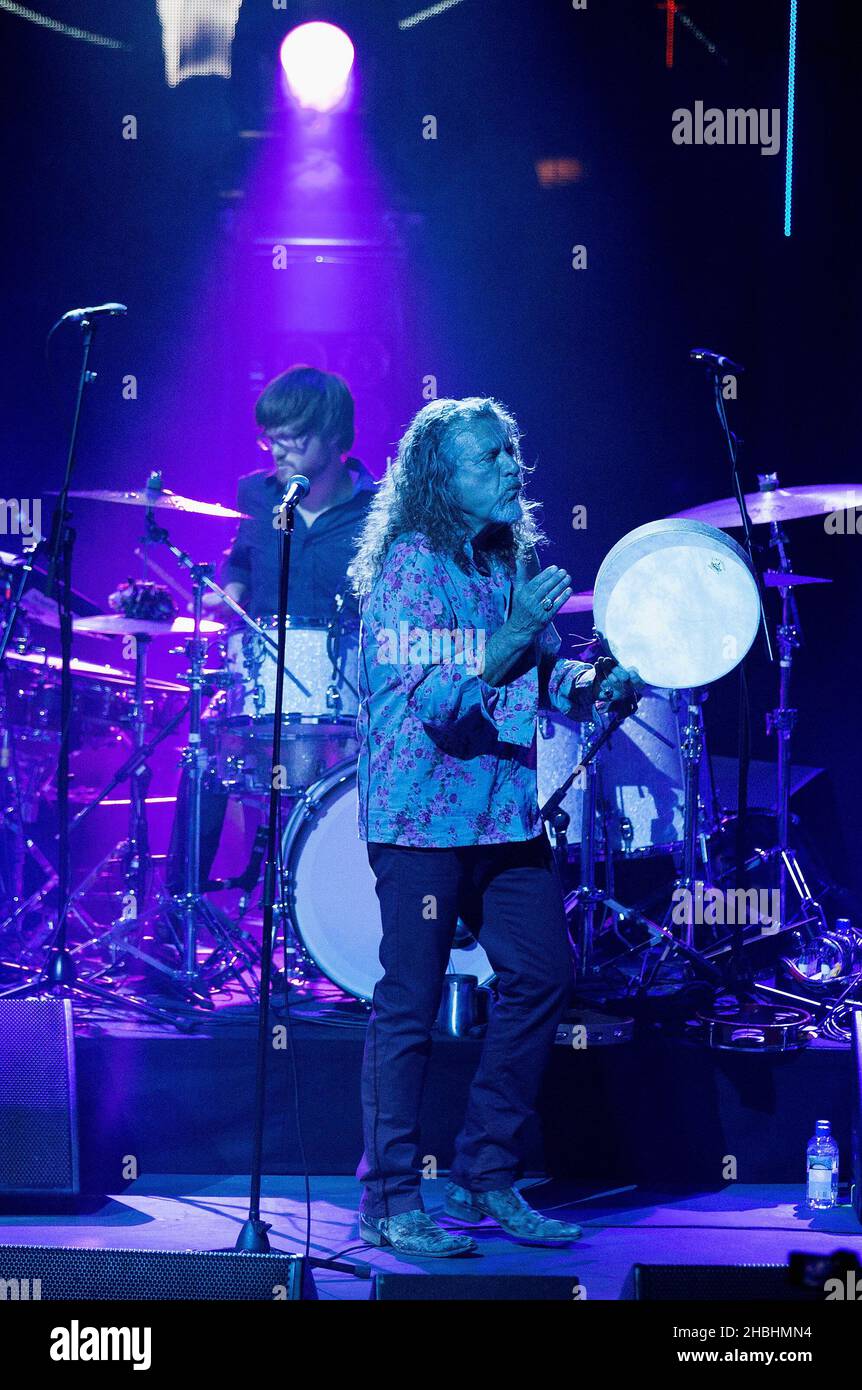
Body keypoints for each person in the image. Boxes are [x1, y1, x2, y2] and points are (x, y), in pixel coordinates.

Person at [351, 396, 640, 1257]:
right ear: (442, 479)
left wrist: (595, 687)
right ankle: (392, 1196)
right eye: (489, 458)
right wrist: (510, 638)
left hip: (504, 812)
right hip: (421, 817)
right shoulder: (411, 566)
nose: (513, 467)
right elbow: (435, 703)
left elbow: (545, 675)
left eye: (513, 450)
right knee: (409, 1003)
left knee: (543, 973)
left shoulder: (509, 557)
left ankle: (485, 1172)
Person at [166, 366, 374, 893]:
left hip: (348, 688)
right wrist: (231, 589)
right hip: (261, 680)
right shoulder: (256, 496)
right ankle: (181, 908)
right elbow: (240, 560)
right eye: (271, 440)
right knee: (202, 756)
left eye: (293, 439)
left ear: (335, 438)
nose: (277, 452)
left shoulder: (378, 509)